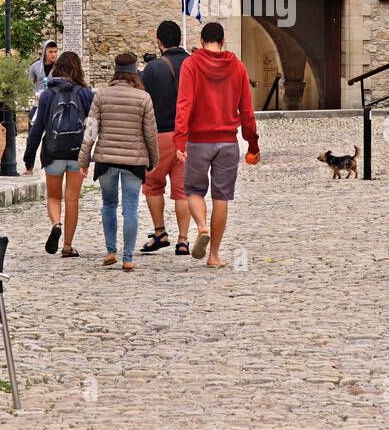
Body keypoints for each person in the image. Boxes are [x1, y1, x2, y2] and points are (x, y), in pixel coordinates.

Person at [174, 21, 260, 268]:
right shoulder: (238, 67)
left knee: (192, 190)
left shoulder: (190, 65)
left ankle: (201, 227)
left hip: (198, 140)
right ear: (223, 42)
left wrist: (180, 138)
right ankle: (213, 255)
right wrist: (252, 144)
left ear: (201, 41)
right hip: (227, 142)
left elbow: (184, 104)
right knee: (221, 197)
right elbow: (247, 110)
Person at [78, 52, 160, 271]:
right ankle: (128, 257)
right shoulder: (143, 98)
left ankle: (111, 250)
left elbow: (91, 130)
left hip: (106, 159)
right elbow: (150, 134)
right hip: (134, 160)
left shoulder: (102, 96)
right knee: (131, 207)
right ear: (135, 72)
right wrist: (154, 160)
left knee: (108, 204)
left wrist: (83, 159)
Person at [23, 50, 92, 257]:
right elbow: (93, 125)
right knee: (72, 199)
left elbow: (37, 128)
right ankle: (68, 246)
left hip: (53, 152)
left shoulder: (47, 95)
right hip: (76, 153)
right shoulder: (85, 94)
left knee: (54, 196)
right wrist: (86, 156)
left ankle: (56, 224)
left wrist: (29, 157)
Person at [138, 21, 193, 255]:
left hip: (160, 134)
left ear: (159, 42)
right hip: (188, 137)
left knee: (152, 185)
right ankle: (183, 239)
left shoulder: (153, 69)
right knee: (182, 190)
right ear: (180, 39)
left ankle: (160, 232)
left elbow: (143, 102)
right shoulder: (194, 64)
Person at [27, 40, 59, 126]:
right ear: (45, 52)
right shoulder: (35, 66)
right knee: (32, 125)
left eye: (55, 52)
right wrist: (36, 93)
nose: (53, 54)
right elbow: (29, 85)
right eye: (51, 52)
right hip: (39, 103)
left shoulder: (60, 67)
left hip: (55, 104)